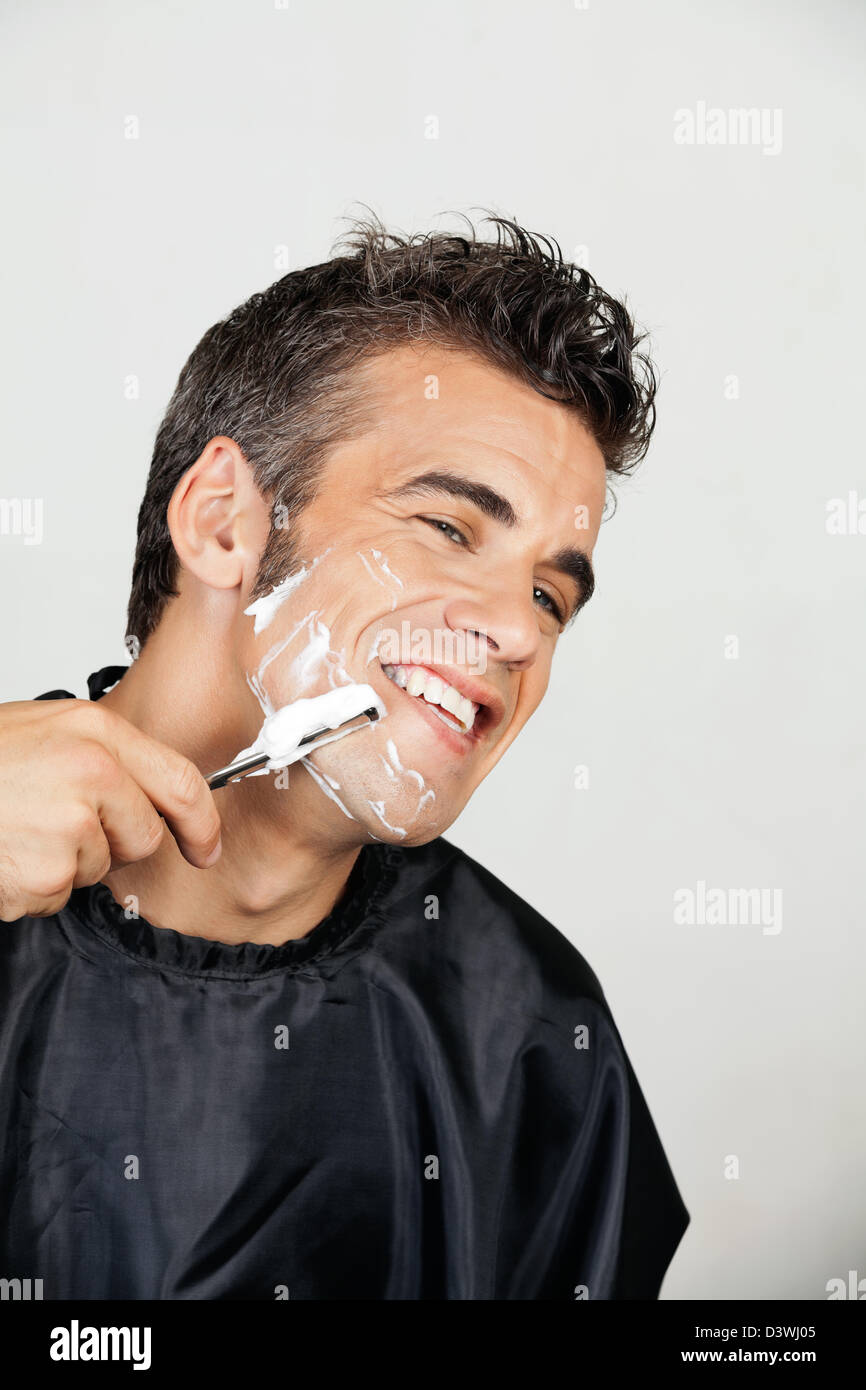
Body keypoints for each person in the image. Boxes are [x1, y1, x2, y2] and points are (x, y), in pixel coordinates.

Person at [0, 212, 688, 1299]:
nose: (517, 630)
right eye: (450, 527)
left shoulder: (531, 1040)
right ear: (224, 521)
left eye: (550, 593)